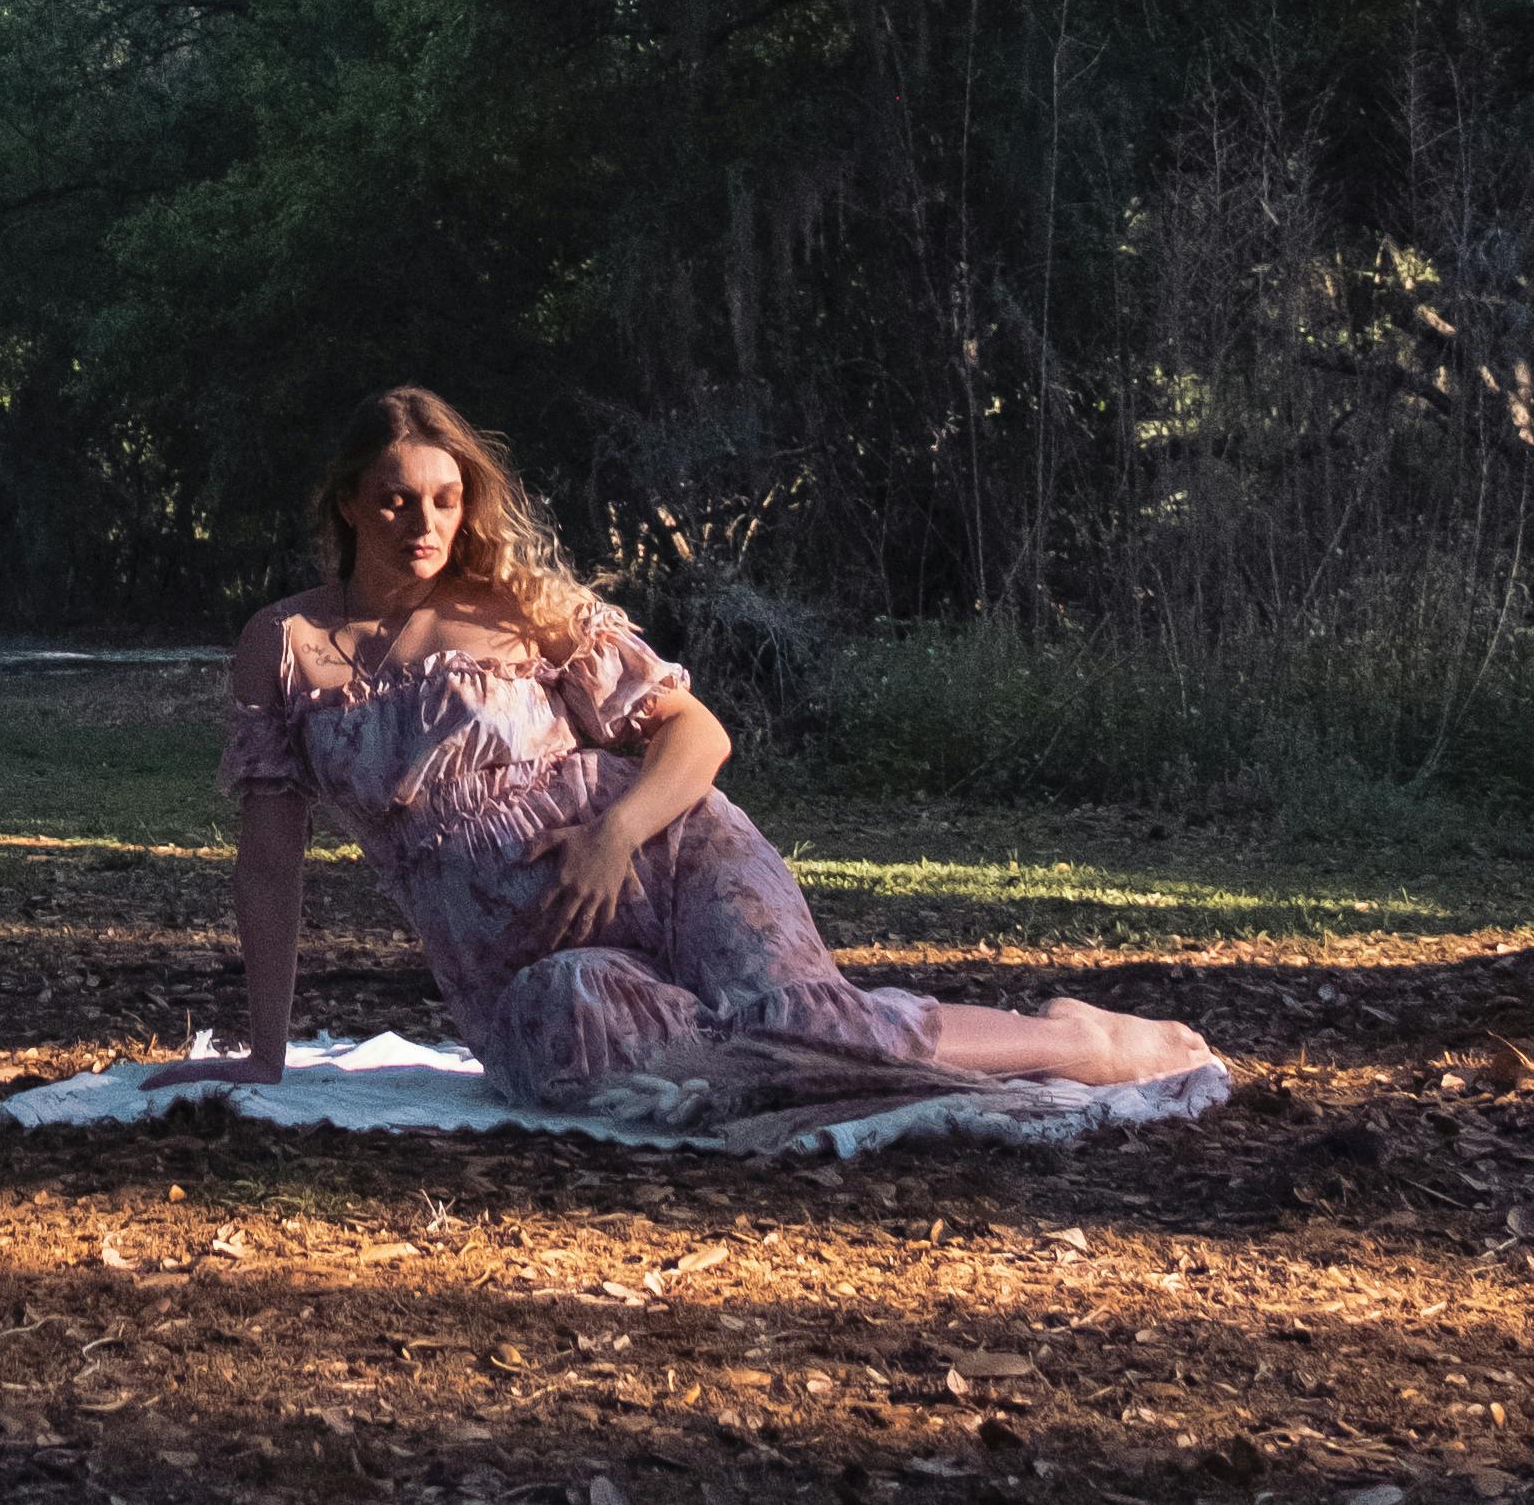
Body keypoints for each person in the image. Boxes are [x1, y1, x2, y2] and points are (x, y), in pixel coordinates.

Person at [205, 387, 1219, 1135]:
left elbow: (700, 734)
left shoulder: (516, 608)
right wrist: (264, 1049)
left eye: (443, 498)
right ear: (345, 504)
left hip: (667, 851)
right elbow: (268, 859)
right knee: (617, 1049)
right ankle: (804, 1043)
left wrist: (613, 833)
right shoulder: (285, 644)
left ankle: (1076, 1042)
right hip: (523, 960)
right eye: (392, 501)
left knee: (803, 1023)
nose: (422, 524)